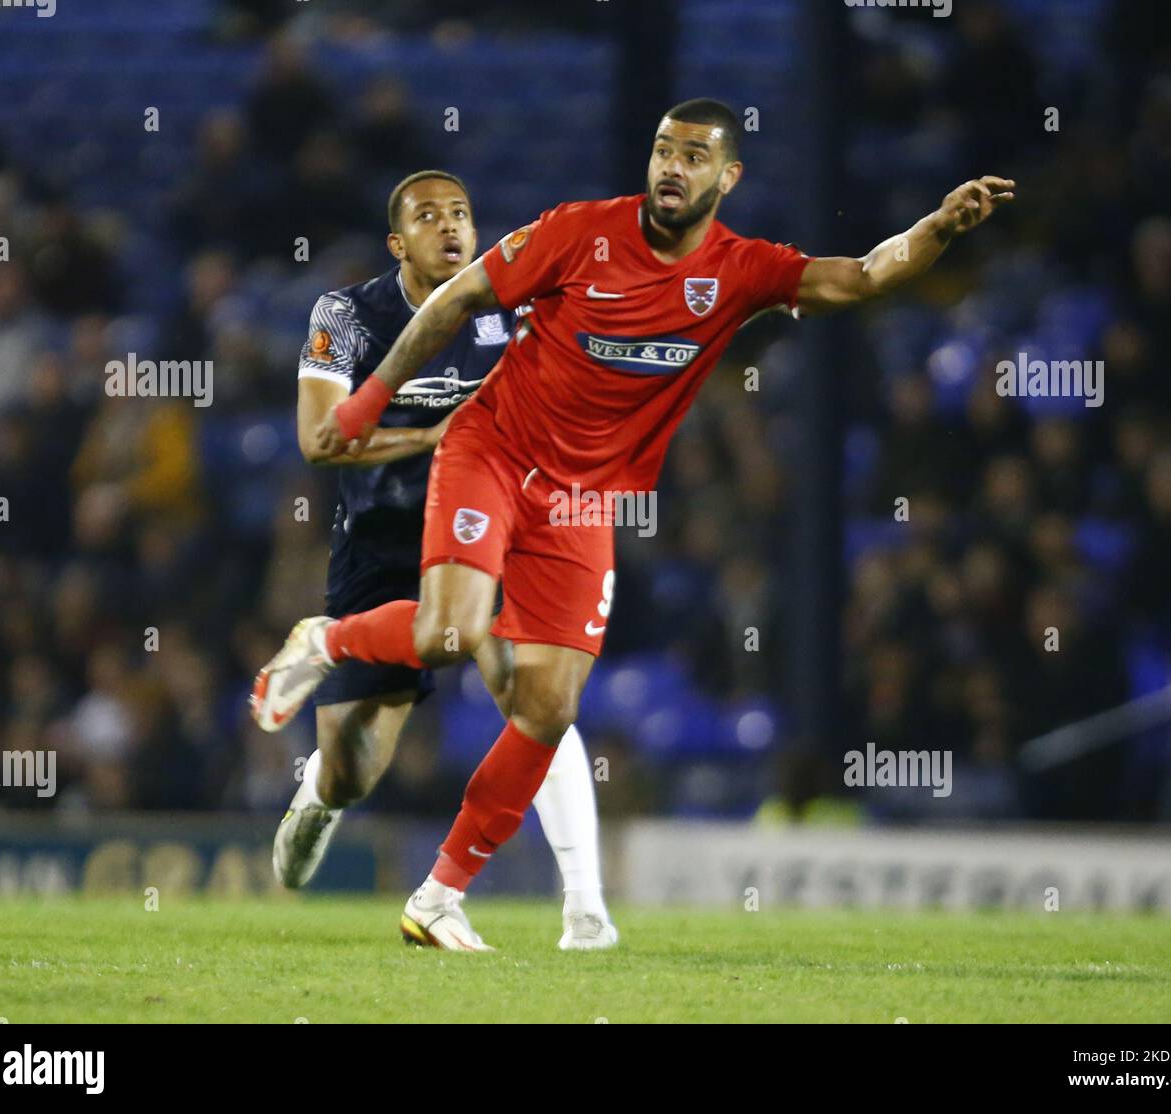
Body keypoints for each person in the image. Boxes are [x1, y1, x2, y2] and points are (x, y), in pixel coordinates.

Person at [253, 98, 1015, 950]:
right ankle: (331, 641)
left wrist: (939, 229)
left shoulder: (740, 269)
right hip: (496, 452)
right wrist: (365, 401)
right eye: (661, 150)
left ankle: (439, 895)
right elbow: (457, 302)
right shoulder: (578, 232)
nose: (670, 167)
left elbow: (864, 275)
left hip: (584, 500)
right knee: (450, 635)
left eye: (693, 156)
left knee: (545, 706)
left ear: (726, 177)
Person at [271, 169, 615, 950]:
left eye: (461, 212)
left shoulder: (514, 303)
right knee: (357, 770)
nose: (451, 227)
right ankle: (318, 796)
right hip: (385, 543)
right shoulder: (348, 314)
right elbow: (319, 441)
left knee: (535, 692)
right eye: (428, 217)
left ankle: (585, 905)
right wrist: (438, 436)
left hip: (486, 534)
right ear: (398, 242)